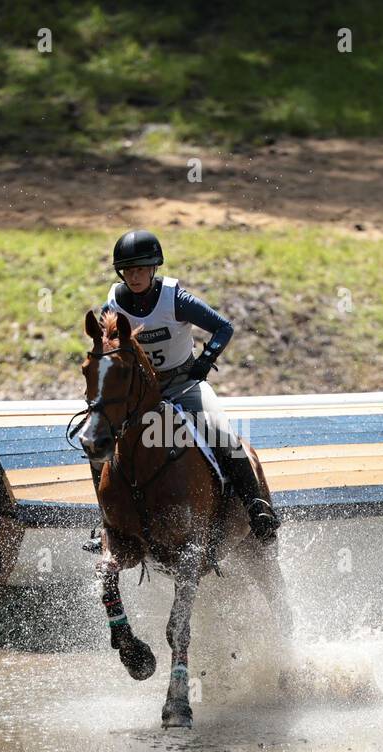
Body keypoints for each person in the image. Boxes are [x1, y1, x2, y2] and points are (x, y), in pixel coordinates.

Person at [83, 229, 280, 551]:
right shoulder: (115, 304)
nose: (134, 276)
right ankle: (106, 523)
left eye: (140, 269)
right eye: (128, 271)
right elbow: (108, 346)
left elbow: (223, 328)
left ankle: (256, 507)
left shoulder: (175, 299)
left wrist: (205, 360)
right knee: (96, 442)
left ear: (153, 269)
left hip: (183, 383)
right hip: (140, 395)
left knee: (223, 432)